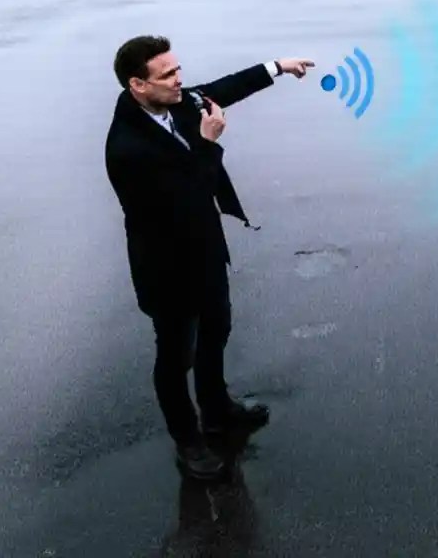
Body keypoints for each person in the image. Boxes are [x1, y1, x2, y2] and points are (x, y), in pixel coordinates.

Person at [104, 34, 314, 480]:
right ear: (137, 85)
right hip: (166, 269)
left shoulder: (173, 103)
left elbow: (220, 90)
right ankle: (188, 440)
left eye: (178, 69)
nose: (180, 80)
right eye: (168, 75)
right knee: (177, 356)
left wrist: (277, 66)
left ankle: (217, 409)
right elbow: (190, 199)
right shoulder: (127, 150)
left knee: (217, 329)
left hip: (204, 253)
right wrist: (208, 143)